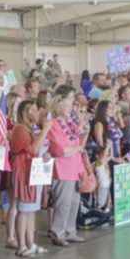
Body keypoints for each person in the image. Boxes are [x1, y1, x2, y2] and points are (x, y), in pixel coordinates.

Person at [10, 99, 52, 257]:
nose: (36, 113)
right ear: (25, 113)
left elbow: (39, 147)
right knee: (24, 209)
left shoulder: (32, 129)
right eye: (33, 110)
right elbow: (32, 148)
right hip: (24, 170)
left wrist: (46, 154)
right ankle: (21, 245)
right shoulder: (20, 129)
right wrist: (45, 130)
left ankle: (30, 242)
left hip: (34, 170)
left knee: (32, 210)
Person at [46, 93, 86, 245]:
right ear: (59, 107)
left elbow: (78, 140)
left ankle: (70, 231)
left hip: (74, 167)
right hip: (62, 168)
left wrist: (80, 119)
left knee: (75, 202)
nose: (70, 109)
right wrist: (76, 148)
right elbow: (61, 149)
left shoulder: (70, 123)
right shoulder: (54, 124)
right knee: (63, 203)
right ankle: (58, 233)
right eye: (68, 106)